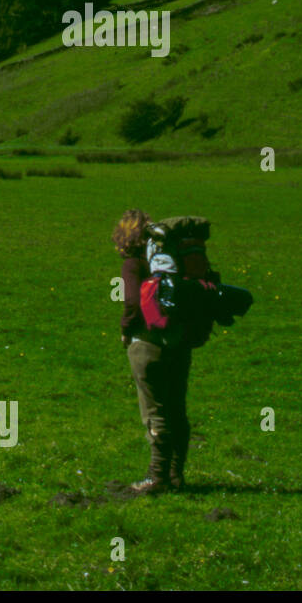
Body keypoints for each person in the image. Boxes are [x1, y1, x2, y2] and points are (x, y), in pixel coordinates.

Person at [113, 209, 191, 495]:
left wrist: (125, 328)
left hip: (148, 343)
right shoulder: (171, 260)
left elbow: (132, 302)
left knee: (155, 411)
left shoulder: (132, 264)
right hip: (179, 342)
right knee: (176, 408)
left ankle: (156, 476)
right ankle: (175, 475)